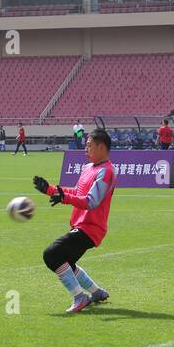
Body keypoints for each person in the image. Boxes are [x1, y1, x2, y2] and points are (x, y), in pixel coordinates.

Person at [32, 128, 116, 314]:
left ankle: (80, 297)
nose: (86, 149)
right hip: (81, 225)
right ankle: (96, 292)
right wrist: (51, 190)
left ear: (101, 147)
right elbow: (77, 193)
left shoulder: (107, 171)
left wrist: (63, 197)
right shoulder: (88, 168)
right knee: (66, 263)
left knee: (51, 255)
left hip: (91, 228)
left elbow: (91, 201)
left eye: (89, 145)